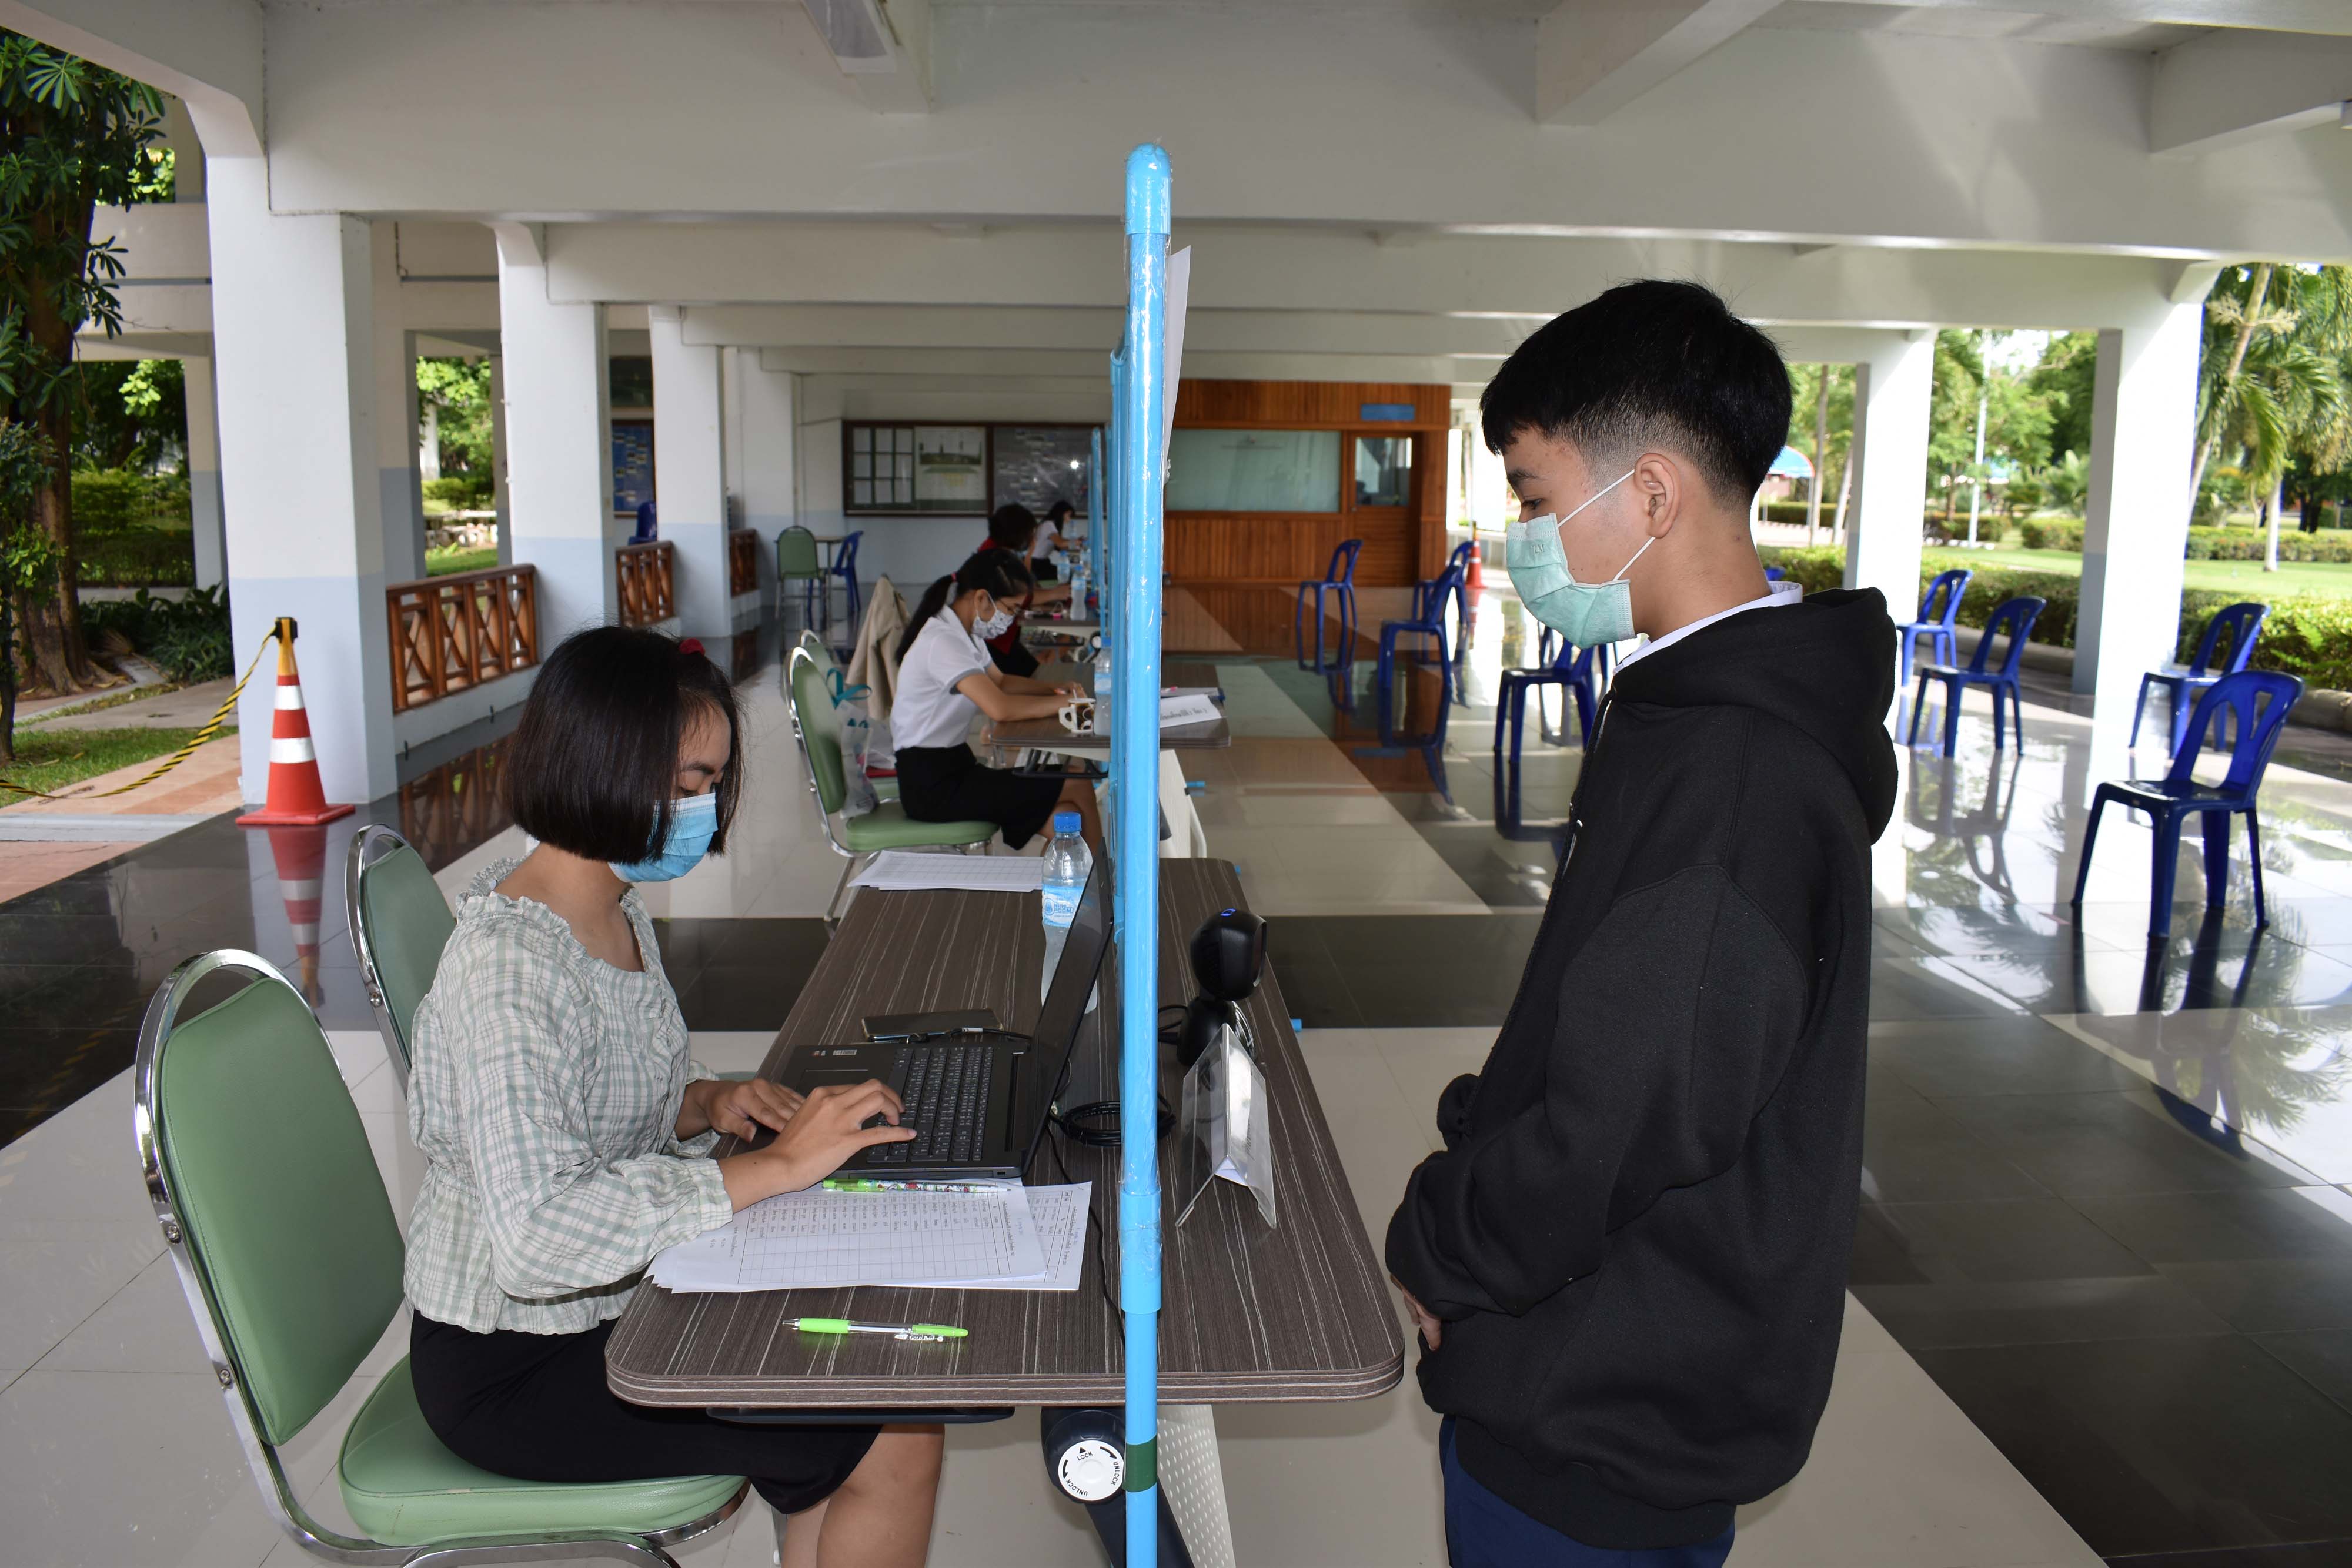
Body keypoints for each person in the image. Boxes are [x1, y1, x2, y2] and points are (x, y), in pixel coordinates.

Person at [1384, 280, 1897, 1568]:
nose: (1521, 537)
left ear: (1652, 496)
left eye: (1536, 496)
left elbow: (1622, 1116)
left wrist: (1442, 1247)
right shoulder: (1697, 717)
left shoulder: (1730, 773)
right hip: (1609, 1356)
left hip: (1604, 1409)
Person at [402, 626, 944, 1568]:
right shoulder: (510, 967)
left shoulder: (609, 905)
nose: (700, 809)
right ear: (601, 765)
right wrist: (771, 1169)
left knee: (855, 1371)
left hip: (608, 1303)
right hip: (513, 1360)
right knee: (893, 1429)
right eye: (686, 783)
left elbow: (593, 1105)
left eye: (709, 786)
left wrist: (704, 1102)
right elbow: (535, 1236)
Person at [891, 549, 1101, 850]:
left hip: (955, 768)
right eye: (1011, 609)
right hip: (932, 786)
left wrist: (1056, 689)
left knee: (1066, 817)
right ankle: (1103, 884)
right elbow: (1000, 708)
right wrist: (1063, 705)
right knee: (1076, 781)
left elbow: (1000, 681)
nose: (1011, 619)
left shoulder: (966, 634)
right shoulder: (943, 641)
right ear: (981, 599)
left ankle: (1077, 887)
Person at [974, 503, 1070, 678]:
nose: (1033, 537)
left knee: (1034, 675)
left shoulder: (1001, 550)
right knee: (1032, 678)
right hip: (993, 641)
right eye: (1031, 533)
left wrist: (1029, 553)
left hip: (1004, 639)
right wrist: (1055, 594)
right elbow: (1017, 596)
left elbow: (1023, 583)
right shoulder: (994, 557)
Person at [1031, 499, 1079, 581]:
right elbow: (1060, 543)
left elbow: (1060, 545)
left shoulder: (1051, 525)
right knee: (1068, 576)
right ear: (1061, 514)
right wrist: (1079, 541)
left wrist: (1076, 548)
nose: (1069, 520)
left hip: (1042, 563)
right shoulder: (1048, 525)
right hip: (1036, 565)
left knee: (1069, 574)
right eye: (1068, 515)